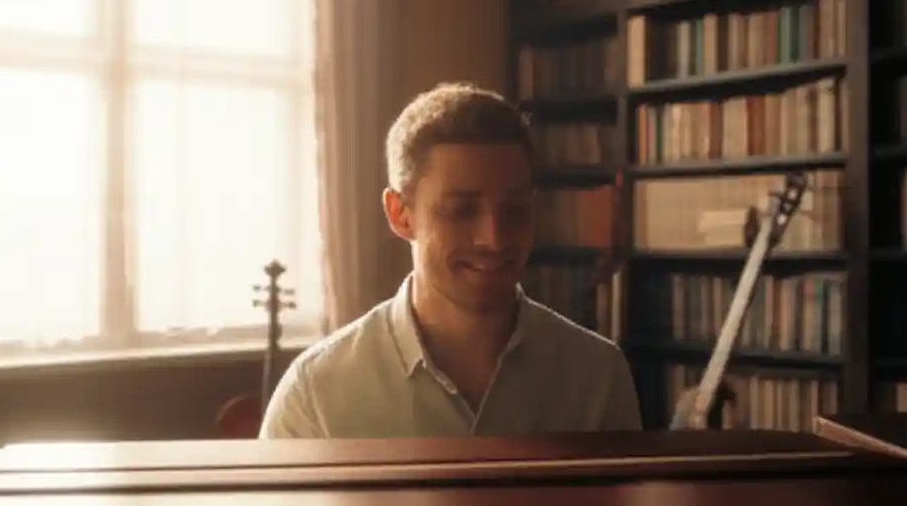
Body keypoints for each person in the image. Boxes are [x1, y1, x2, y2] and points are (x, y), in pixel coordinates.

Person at [258, 82, 642, 439]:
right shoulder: (315, 395)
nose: (494, 239)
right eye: (461, 211)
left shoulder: (598, 377)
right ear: (400, 214)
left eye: (516, 210)